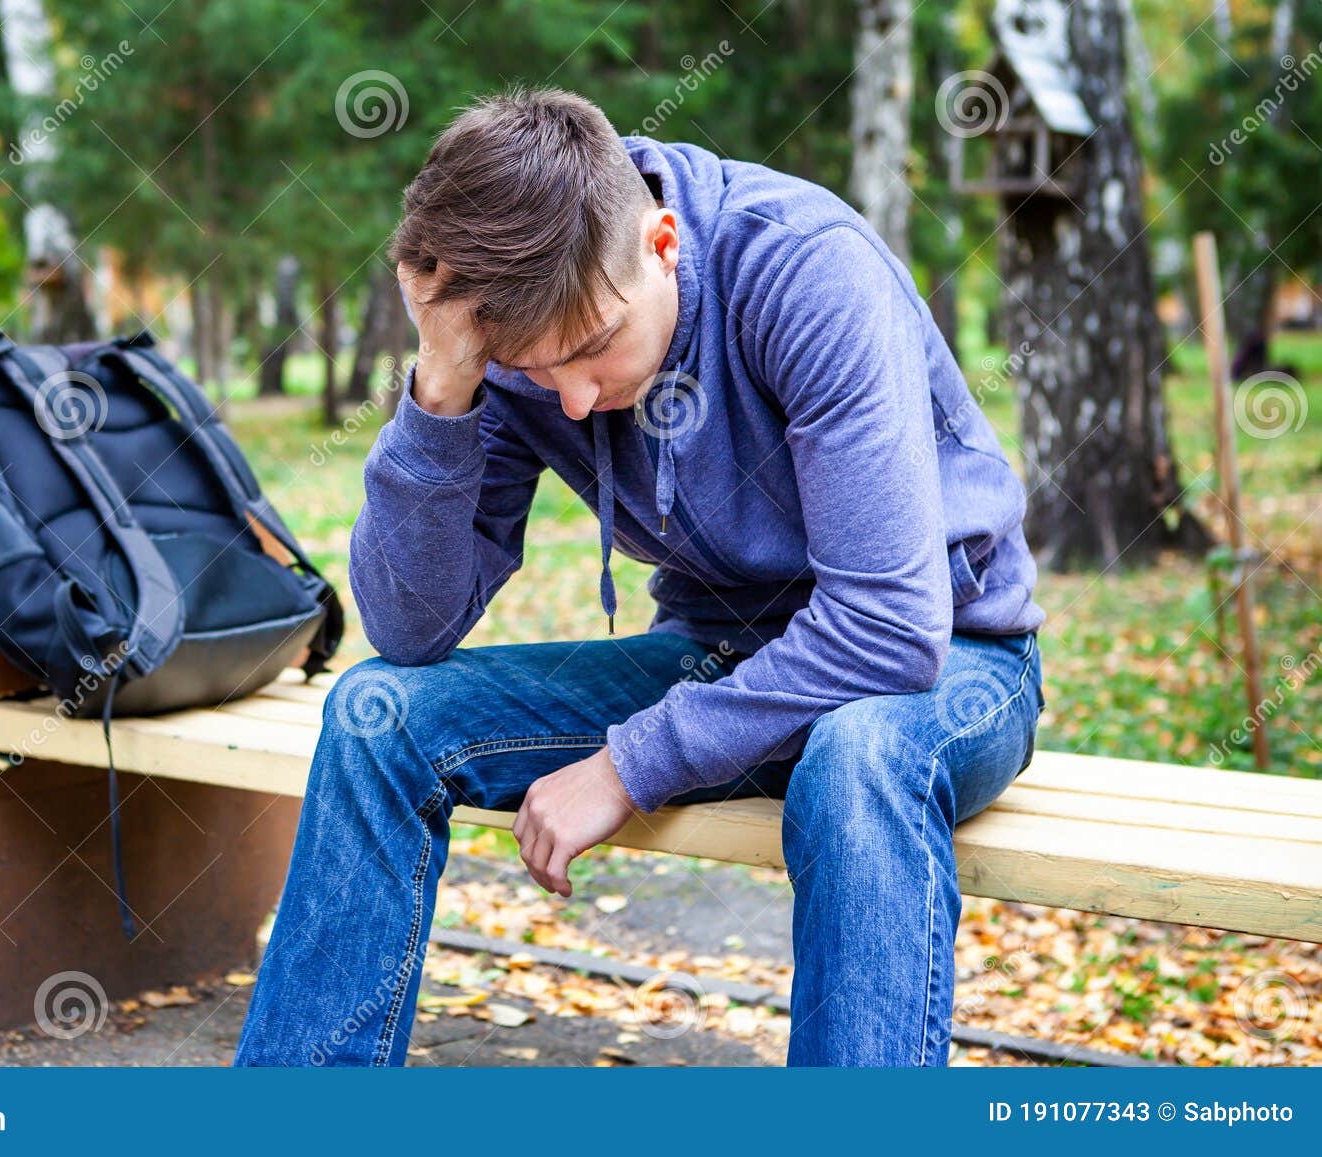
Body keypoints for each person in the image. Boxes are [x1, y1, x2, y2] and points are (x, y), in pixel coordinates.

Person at [233, 85, 1047, 1068]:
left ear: (662, 242)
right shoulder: (519, 335)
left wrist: (631, 762)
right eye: (536, 373)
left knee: (858, 754)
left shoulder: (802, 268)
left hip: (946, 660)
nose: (572, 402)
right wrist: (445, 385)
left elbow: (888, 625)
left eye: (591, 350)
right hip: (716, 657)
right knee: (377, 713)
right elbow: (410, 630)